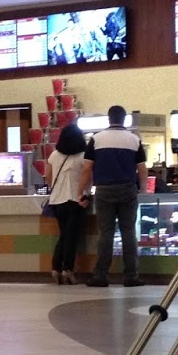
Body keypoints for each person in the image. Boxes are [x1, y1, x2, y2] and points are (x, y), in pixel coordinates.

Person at [83, 105, 147, 287]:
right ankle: (132, 276)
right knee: (128, 232)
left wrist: (83, 191)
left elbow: (87, 168)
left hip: (103, 190)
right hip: (128, 190)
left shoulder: (96, 139)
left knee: (106, 233)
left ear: (109, 119)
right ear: (124, 119)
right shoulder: (134, 140)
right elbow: (142, 169)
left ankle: (100, 276)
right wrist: (143, 191)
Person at [44, 123, 91, 284]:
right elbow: (87, 177)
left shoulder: (54, 155)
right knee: (71, 236)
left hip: (57, 200)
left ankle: (56, 268)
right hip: (75, 200)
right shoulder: (82, 156)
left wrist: (57, 189)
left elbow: (48, 176)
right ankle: (67, 269)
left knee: (63, 234)